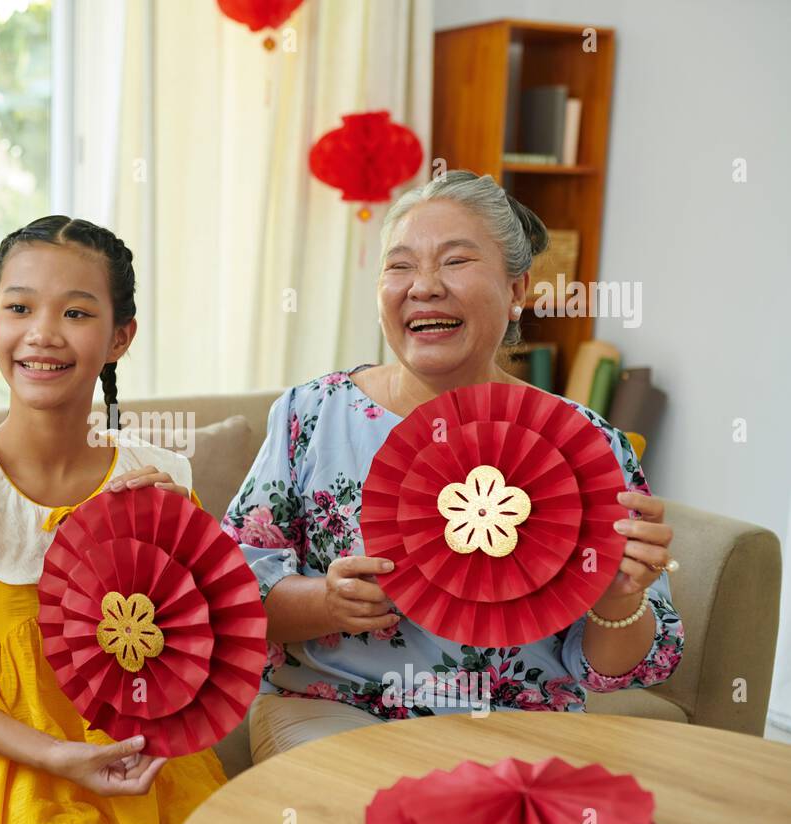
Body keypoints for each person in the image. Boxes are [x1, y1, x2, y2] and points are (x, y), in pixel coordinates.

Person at [221, 171, 684, 764]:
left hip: (521, 727)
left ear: (518, 288)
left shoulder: (584, 445)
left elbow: (617, 672)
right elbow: (229, 598)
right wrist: (327, 602)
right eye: (400, 265)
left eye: (456, 261)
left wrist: (618, 597)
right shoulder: (311, 415)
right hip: (347, 710)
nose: (424, 286)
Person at [0, 216, 226, 824]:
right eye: (19, 307)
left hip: (142, 750)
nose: (42, 333)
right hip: (17, 760)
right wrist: (56, 755)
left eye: (75, 312)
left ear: (120, 336)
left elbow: (195, 658)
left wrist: (181, 546)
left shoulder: (157, 481)